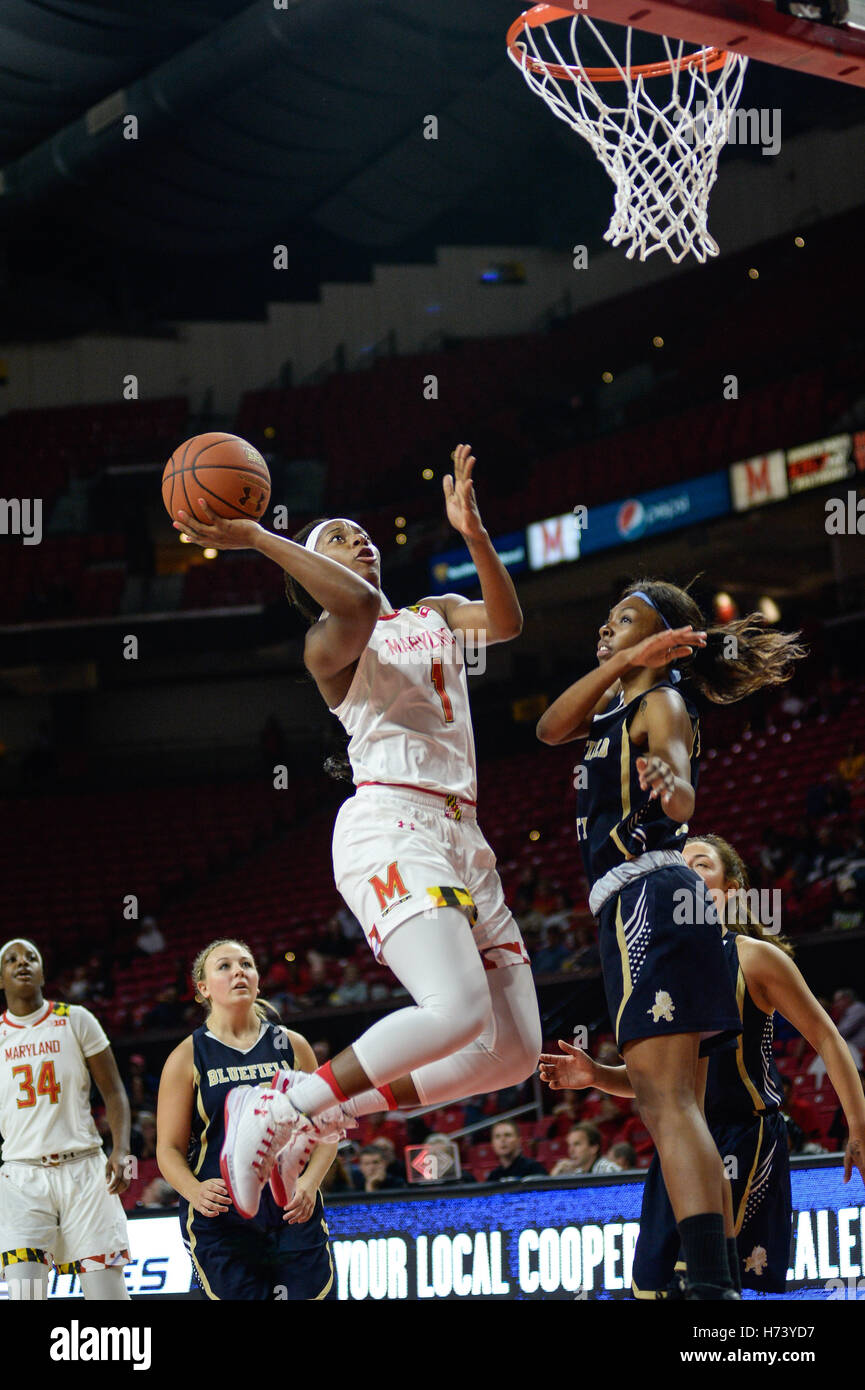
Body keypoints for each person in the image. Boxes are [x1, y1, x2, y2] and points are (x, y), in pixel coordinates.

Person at [173, 444, 542, 1215]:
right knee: (457, 1012)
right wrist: (257, 537)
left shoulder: (432, 615)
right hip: (391, 823)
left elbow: (505, 623)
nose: (360, 542)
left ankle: (332, 1108)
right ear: (309, 575)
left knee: (512, 1053)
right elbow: (356, 605)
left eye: (360, 535)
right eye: (336, 540)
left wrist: (475, 536)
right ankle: (283, 1106)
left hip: (463, 834)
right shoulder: (331, 643)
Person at [537, 580, 806, 1299]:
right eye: (604, 616)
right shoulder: (614, 705)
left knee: (667, 1104)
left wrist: (670, 783)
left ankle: (710, 1288)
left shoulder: (659, 703)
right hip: (644, 904)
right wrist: (628, 658)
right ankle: (707, 1283)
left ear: (665, 640)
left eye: (623, 618)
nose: (604, 627)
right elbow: (548, 727)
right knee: (671, 1100)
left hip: (647, 896)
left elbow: (683, 797)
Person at [542, 834, 865, 1297]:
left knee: (704, 1282)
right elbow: (659, 1085)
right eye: (681, 864)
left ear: (731, 890)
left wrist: (858, 1125)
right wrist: (596, 1075)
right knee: (650, 1289)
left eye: (701, 865)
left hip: (742, 1133)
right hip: (680, 1138)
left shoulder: (754, 957)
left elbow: (829, 1040)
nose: (687, 874)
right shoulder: (661, 971)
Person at [156, 938, 338, 1300]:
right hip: (222, 1218)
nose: (239, 970)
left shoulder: (293, 1045)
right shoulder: (186, 1056)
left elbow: (327, 1131)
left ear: (257, 980)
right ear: (203, 989)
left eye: (246, 964)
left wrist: (310, 1183)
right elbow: (168, 1149)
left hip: (291, 1210)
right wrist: (194, 1191)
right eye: (224, 966)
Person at [0, 938, 133, 1300]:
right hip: (21, 1178)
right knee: (26, 1294)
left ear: (43, 971)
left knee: (108, 1296)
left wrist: (121, 1150)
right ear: (1, 978)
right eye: (11, 959)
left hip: (85, 1172)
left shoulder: (75, 1019)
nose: (22, 963)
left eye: (31, 957)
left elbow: (115, 1092)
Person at [550, 1123, 620, 1177]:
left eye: (577, 1144)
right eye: (569, 1145)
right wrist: (555, 1177)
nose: (571, 1151)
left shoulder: (609, 1171)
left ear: (594, 1148)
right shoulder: (576, 1174)